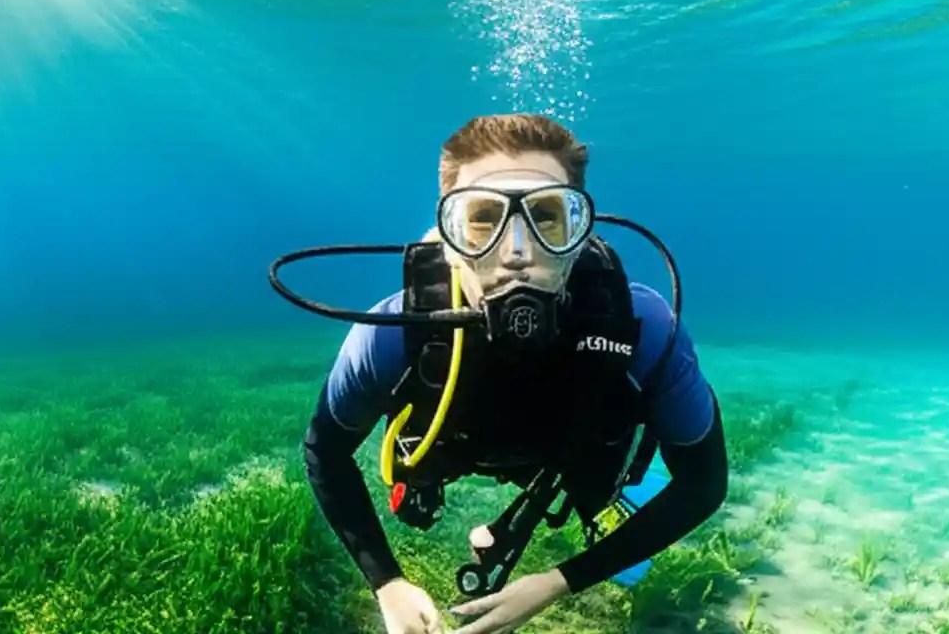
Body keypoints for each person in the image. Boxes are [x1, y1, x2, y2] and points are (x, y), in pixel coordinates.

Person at [298, 114, 729, 634]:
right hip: (455, 445)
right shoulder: (392, 332)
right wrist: (387, 582)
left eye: (548, 217)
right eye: (482, 219)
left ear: (579, 233)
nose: (518, 253)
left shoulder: (645, 328)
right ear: (449, 237)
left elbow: (703, 483)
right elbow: (325, 450)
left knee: (597, 487)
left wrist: (557, 581)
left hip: (571, 448)